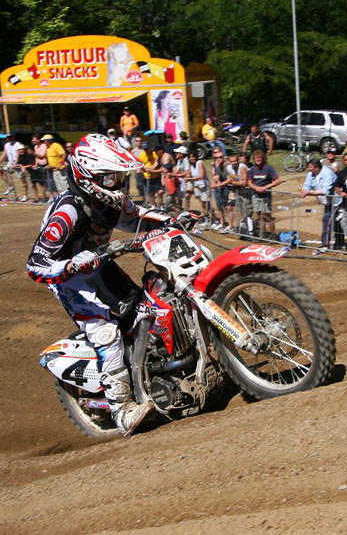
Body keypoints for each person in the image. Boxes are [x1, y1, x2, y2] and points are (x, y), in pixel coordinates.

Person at [27, 133, 173, 435]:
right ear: (90, 177)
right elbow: (35, 264)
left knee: (147, 307)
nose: (119, 184)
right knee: (106, 333)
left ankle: (159, 373)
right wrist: (69, 264)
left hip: (99, 263)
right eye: (112, 178)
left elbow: (139, 219)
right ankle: (122, 409)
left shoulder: (109, 201)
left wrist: (173, 220)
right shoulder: (67, 213)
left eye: (120, 176)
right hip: (68, 278)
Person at [299, 158, 338, 249]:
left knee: (327, 220)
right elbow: (307, 185)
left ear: (316, 168)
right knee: (334, 222)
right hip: (326, 202)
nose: (309, 169)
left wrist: (309, 193)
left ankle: (325, 244)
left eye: (310, 167)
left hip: (336, 201)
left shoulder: (327, 173)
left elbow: (325, 191)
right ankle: (339, 242)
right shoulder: (311, 174)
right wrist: (303, 191)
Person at [247, 149, 281, 237]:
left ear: (263, 158)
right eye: (256, 158)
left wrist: (265, 187)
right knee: (259, 215)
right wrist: (256, 188)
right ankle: (263, 233)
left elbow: (277, 180)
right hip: (256, 195)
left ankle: (273, 234)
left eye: (260, 158)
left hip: (266, 195)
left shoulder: (268, 168)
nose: (258, 159)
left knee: (268, 215)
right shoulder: (252, 169)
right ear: (254, 159)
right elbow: (249, 182)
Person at [0, 133, 29, 201]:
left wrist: (16, 163)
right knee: (3, 172)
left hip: (18, 163)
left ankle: (25, 195)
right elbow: (4, 154)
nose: (9, 139)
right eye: (8, 138)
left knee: (23, 180)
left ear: (13, 137)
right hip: (10, 163)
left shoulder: (18, 144)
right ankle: (10, 186)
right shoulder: (6, 145)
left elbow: (18, 155)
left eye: (10, 137)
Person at [185, 150, 210, 224]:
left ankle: (210, 217)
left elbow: (201, 176)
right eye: (190, 157)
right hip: (197, 186)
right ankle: (206, 218)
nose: (191, 158)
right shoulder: (190, 165)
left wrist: (189, 179)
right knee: (202, 203)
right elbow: (188, 174)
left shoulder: (200, 163)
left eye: (193, 156)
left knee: (206, 203)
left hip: (204, 185)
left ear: (196, 157)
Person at [209, 150, 232, 232]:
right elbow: (217, 177)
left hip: (230, 189)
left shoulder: (228, 166)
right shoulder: (218, 167)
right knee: (220, 207)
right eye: (215, 158)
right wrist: (213, 182)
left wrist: (216, 185)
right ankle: (222, 224)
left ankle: (230, 226)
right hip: (222, 188)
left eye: (220, 157)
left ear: (224, 158)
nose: (218, 159)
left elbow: (229, 180)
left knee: (228, 208)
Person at [32, 135, 50, 201]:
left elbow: (42, 156)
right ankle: (43, 197)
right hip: (39, 166)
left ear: (38, 140)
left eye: (34, 139)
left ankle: (45, 197)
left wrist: (33, 153)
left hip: (45, 165)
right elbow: (36, 157)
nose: (33, 141)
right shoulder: (35, 147)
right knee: (41, 182)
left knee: (46, 182)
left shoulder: (44, 146)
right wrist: (36, 164)